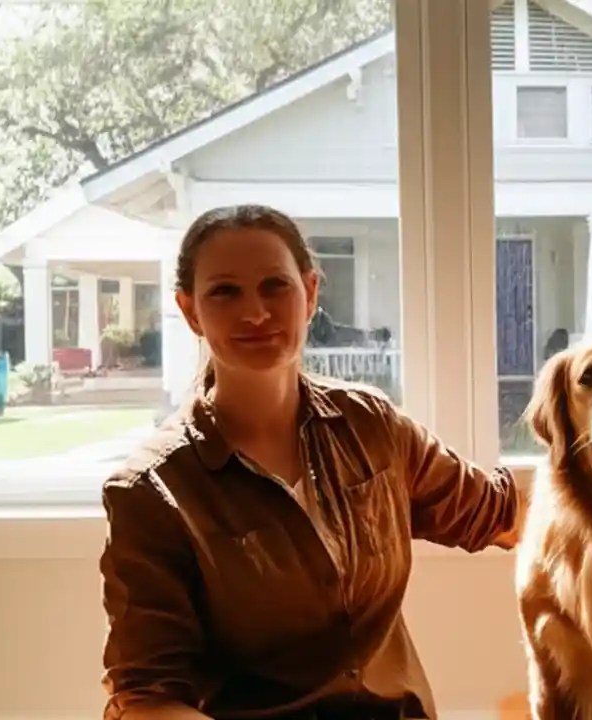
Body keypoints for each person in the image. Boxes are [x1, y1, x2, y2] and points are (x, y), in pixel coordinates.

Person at [98, 205, 526, 720]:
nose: (255, 313)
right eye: (225, 292)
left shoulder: (371, 426)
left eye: (275, 286)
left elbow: (501, 512)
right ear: (190, 311)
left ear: (310, 292)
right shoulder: (151, 491)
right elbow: (146, 696)